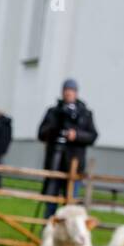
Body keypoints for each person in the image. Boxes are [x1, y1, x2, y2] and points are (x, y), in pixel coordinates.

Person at [38, 79, 97, 218]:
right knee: (50, 203)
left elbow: (93, 136)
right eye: (66, 90)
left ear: (76, 93)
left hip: (74, 166)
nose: (68, 93)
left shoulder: (85, 113)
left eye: (71, 90)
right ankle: (48, 233)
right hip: (55, 163)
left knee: (70, 205)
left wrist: (76, 135)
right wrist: (56, 128)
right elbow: (41, 133)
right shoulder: (53, 112)